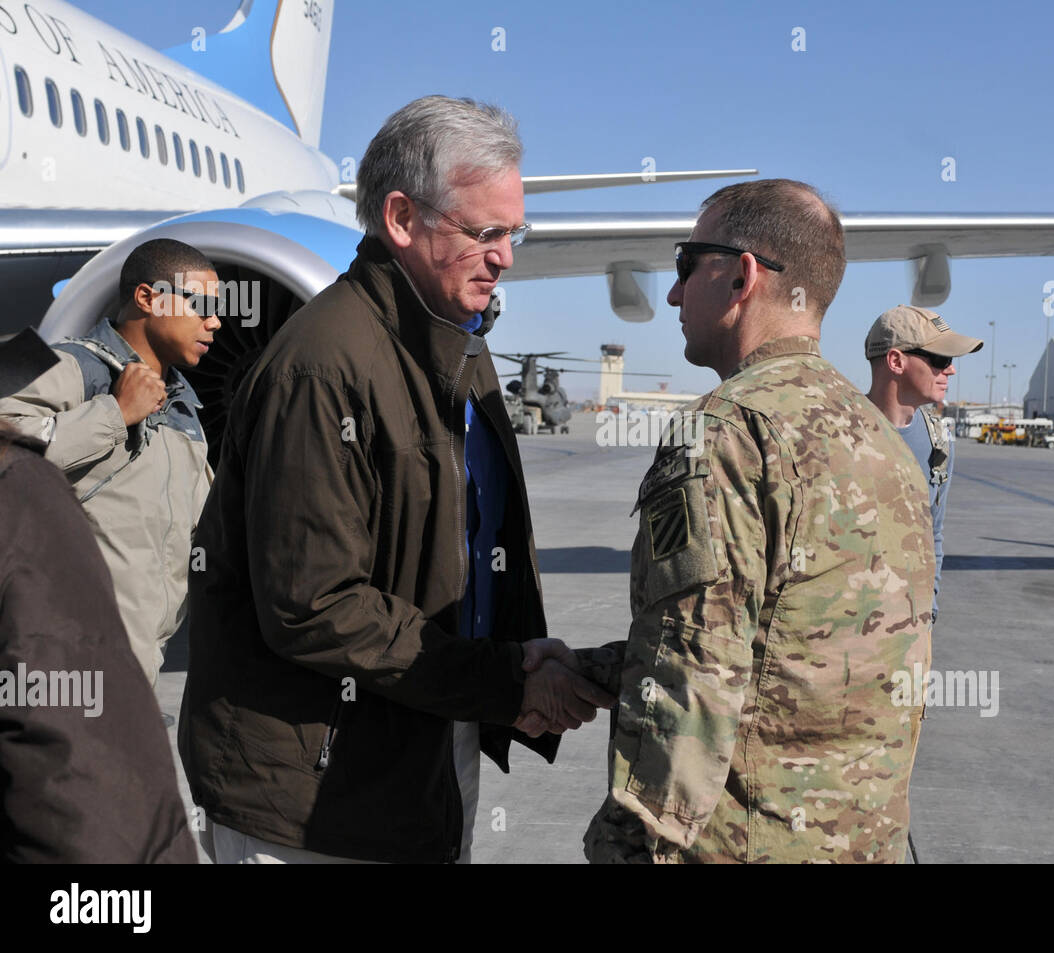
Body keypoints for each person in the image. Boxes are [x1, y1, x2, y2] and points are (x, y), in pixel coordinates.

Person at [178, 96, 614, 865]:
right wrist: (506, 680)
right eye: (486, 233)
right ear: (403, 218)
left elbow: (466, 547)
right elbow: (317, 605)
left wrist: (519, 659)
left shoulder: (460, 351)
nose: (508, 255)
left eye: (515, 232)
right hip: (310, 800)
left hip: (424, 749)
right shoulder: (322, 367)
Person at [583, 179, 935, 864]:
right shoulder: (881, 439)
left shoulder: (726, 433)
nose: (675, 293)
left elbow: (692, 676)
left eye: (687, 263)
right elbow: (795, 651)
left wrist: (626, 848)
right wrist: (586, 670)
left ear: (742, 275)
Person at [0, 238, 220, 685]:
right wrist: (114, 414)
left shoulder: (184, 409)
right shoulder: (54, 360)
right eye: (201, 305)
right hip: (56, 666)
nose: (215, 322)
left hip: (137, 669)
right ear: (147, 297)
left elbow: (206, 532)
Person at [0, 426, 197, 863]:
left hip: (134, 657)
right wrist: (114, 414)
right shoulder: (23, 483)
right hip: (92, 666)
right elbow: (58, 734)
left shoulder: (185, 417)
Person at [865, 305, 983, 623]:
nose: (951, 371)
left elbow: (934, 533)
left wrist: (929, 610)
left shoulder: (938, 442)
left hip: (908, 631)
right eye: (940, 360)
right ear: (896, 361)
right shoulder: (837, 434)